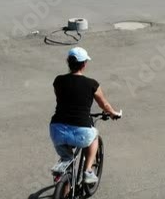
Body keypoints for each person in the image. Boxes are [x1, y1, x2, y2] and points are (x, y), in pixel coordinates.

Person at [50, 47, 121, 184]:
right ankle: (88, 171)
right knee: (94, 136)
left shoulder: (58, 80)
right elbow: (104, 105)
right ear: (84, 64)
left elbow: (60, 98)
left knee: (67, 162)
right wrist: (113, 114)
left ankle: (63, 198)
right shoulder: (92, 84)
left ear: (68, 62)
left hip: (56, 129)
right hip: (81, 131)